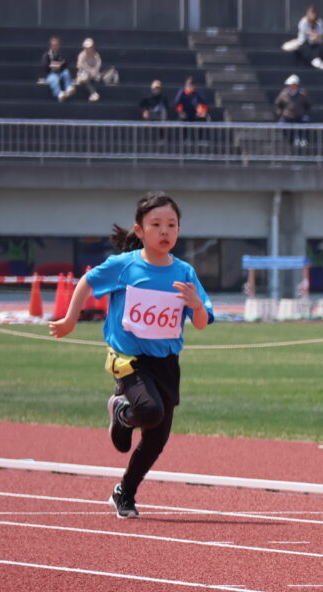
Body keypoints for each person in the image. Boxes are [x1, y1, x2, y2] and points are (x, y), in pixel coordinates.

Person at [47, 192, 214, 520]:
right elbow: (87, 281)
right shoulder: (125, 266)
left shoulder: (185, 272)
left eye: (172, 225)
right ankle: (124, 411)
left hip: (166, 362)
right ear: (140, 230)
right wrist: (69, 319)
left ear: (179, 230)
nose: (165, 231)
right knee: (149, 411)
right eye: (156, 225)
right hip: (128, 358)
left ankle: (124, 491)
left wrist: (196, 305)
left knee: (157, 439)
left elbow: (201, 322)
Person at [275, 74, 312, 147]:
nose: (292, 87)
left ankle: (302, 139)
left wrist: (306, 114)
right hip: (287, 116)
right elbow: (278, 104)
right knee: (284, 126)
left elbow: (308, 105)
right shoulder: (283, 94)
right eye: (290, 85)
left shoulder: (302, 94)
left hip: (299, 116)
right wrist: (280, 114)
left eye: (293, 85)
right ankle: (290, 141)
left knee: (304, 124)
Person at [67, 38, 103, 103]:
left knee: (97, 77)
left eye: (90, 47)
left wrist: (93, 72)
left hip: (94, 75)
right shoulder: (81, 55)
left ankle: (75, 85)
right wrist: (88, 71)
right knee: (83, 77)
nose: (89, 49)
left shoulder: (96, 56)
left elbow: (98, 66)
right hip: (83, 74)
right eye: (87, 47)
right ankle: (93, 93)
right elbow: (79, 66)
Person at [40, 36, 73, 102]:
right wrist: (53, 66)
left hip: (60, 72)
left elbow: (65, 64)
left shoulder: (61, 54)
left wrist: (59, 66)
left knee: (66, 72)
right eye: (54, 45)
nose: (55, 47)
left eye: (57, 45)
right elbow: (45, 66)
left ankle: (69, 88)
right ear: (51, 46)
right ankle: (59, 93)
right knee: (53, 78)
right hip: (51, 74)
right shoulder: (46, 55)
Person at [294, 6, 323, 70]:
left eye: (314, 14)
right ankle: (315, 60)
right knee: (304, 48)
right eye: (310, 14)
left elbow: (321, 34)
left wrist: (317, 36)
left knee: (321, 47)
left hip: (316, 43)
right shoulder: (303, 22)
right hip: (305, 43)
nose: (312, 17)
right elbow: (309, 34)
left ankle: (316, 61)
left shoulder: (319, 21)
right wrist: (315, 35)